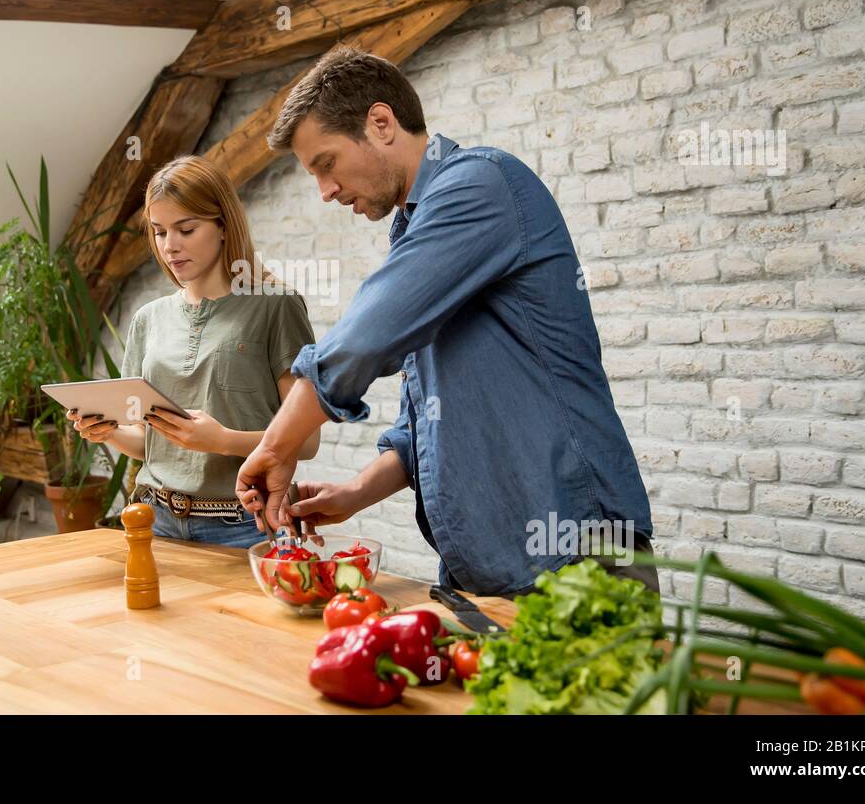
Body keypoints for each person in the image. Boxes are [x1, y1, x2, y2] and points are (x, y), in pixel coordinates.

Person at [234, 46, 657, 597]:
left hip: (577, 554)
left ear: (381, 124)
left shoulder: (481, 185)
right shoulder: (416, 227)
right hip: (490, 564)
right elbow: (428, 420)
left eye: (327, 164)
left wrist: (275, 445)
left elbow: (365, 339)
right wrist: (355, 492)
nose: (326, 191)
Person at [73, 155, 319, 548]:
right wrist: (109, 433)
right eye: (159, 232)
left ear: (224, 225)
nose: (170, 246)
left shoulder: (276, 306)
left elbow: (305, 441)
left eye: (186, 229)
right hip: (155, 518)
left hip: (244, 523)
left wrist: (221, 440)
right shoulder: (148, 319)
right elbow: (148, 444)